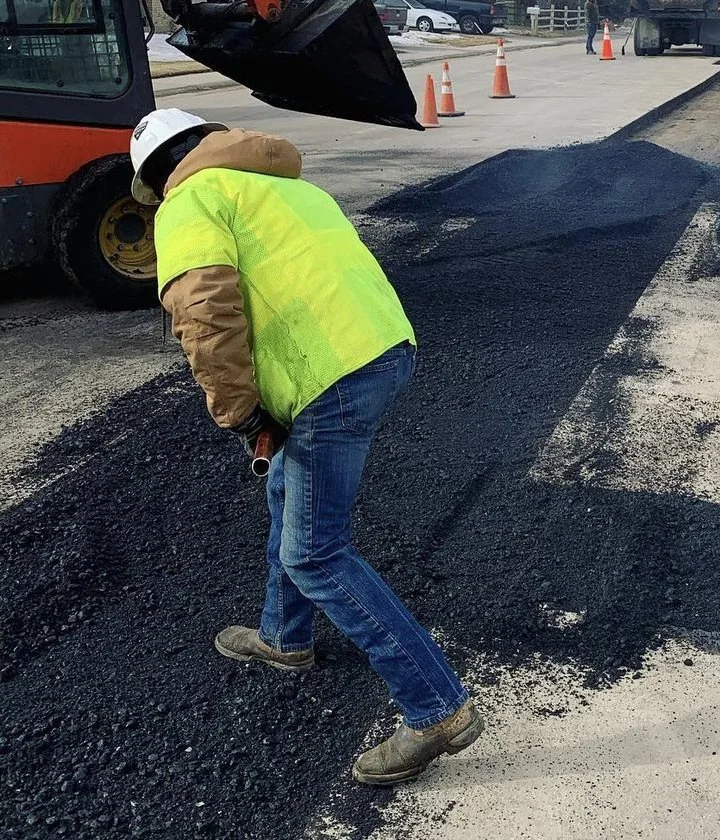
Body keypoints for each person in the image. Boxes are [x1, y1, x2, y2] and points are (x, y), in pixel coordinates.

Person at [129, 109, 481, 786]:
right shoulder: (290, 189)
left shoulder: (189, 201)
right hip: (384, 352)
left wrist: (239, 413)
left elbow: (204, 314)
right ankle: (284, 637)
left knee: (314, 551)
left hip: (329, 382)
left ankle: (438, 708)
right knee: (287, 488)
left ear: (159, 172)